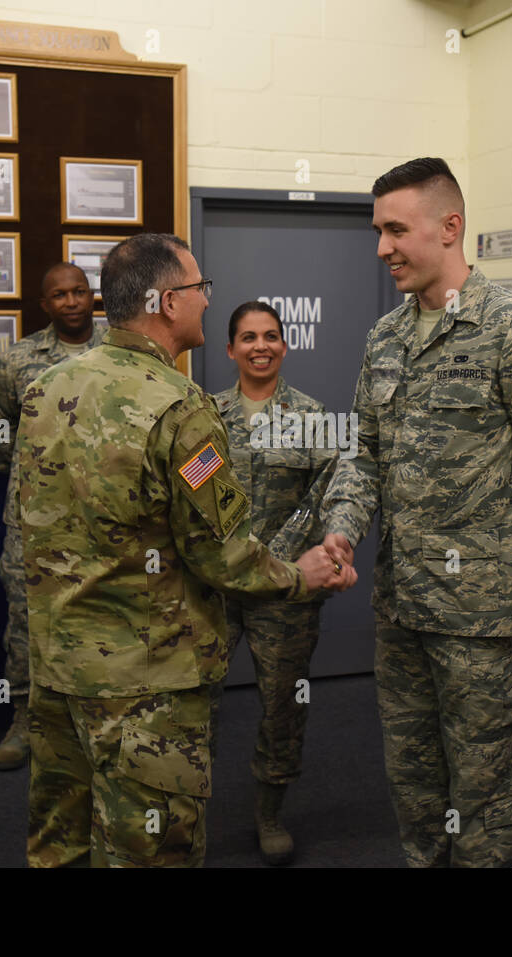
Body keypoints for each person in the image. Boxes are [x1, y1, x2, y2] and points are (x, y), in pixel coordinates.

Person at [19, 232, 356, 868]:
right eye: (200, 290)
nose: (206, 301)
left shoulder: (48, 388)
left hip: (59, 665)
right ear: (167, 301)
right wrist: (299, 574)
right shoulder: (182, 407)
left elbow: (30, 523)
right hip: (147, 677)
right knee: (148, 849)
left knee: (60, 843)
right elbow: (219, 553)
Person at [321, 158, 512, 867]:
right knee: (413, 784)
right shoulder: (386, 338)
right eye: (377, 230)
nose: (381, 247)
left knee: (485, 797)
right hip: (403, 606)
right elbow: (363, 454)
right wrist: (342, 530)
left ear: (450, 228)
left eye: (394, 229)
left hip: (485, 619)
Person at [209, 300, 337, 865]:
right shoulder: (206, 417)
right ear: (230, 349)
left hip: (285, 590)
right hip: (213, 587)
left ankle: (269, 813)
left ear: (285, 346)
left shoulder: (313, 418)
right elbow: (198, 496)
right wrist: (230, 558)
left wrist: (272, 561)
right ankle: (185, 810)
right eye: (248, 337)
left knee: (282, 704)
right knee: (192, 702)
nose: (260, 346)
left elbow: (325, 497)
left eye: (270, 336)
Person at [0, 262, 101, 770]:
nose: (71, 302)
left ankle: (95, 721)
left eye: (79, 291)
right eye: (59, 295)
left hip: (104, 517)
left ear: (93, 296)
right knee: (26, 621)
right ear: (44, 304)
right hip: (33, 518)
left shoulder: (123, 348)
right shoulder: (20, 360)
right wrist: (34, 475)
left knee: (101, 614)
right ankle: (25, 723)